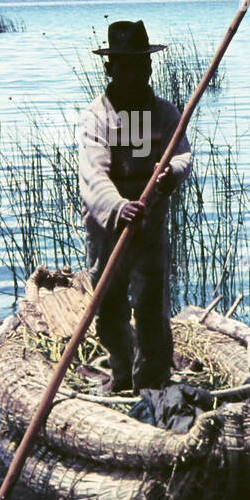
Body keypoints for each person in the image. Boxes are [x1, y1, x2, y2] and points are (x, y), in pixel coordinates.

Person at [77, 20, 191, 393]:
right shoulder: (98, 116)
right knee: (109, 305)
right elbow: (94, 173)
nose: (135, 73)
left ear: (150, 67)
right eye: (126, 66)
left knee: (152, 304)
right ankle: (122, 372)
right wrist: (117, 207)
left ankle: (153, 378)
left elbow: (182, 154)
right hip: (107, 228)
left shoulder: (162, 112)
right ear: (110, 69)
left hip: (150, 225)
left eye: (141, 65)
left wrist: (170, 173)